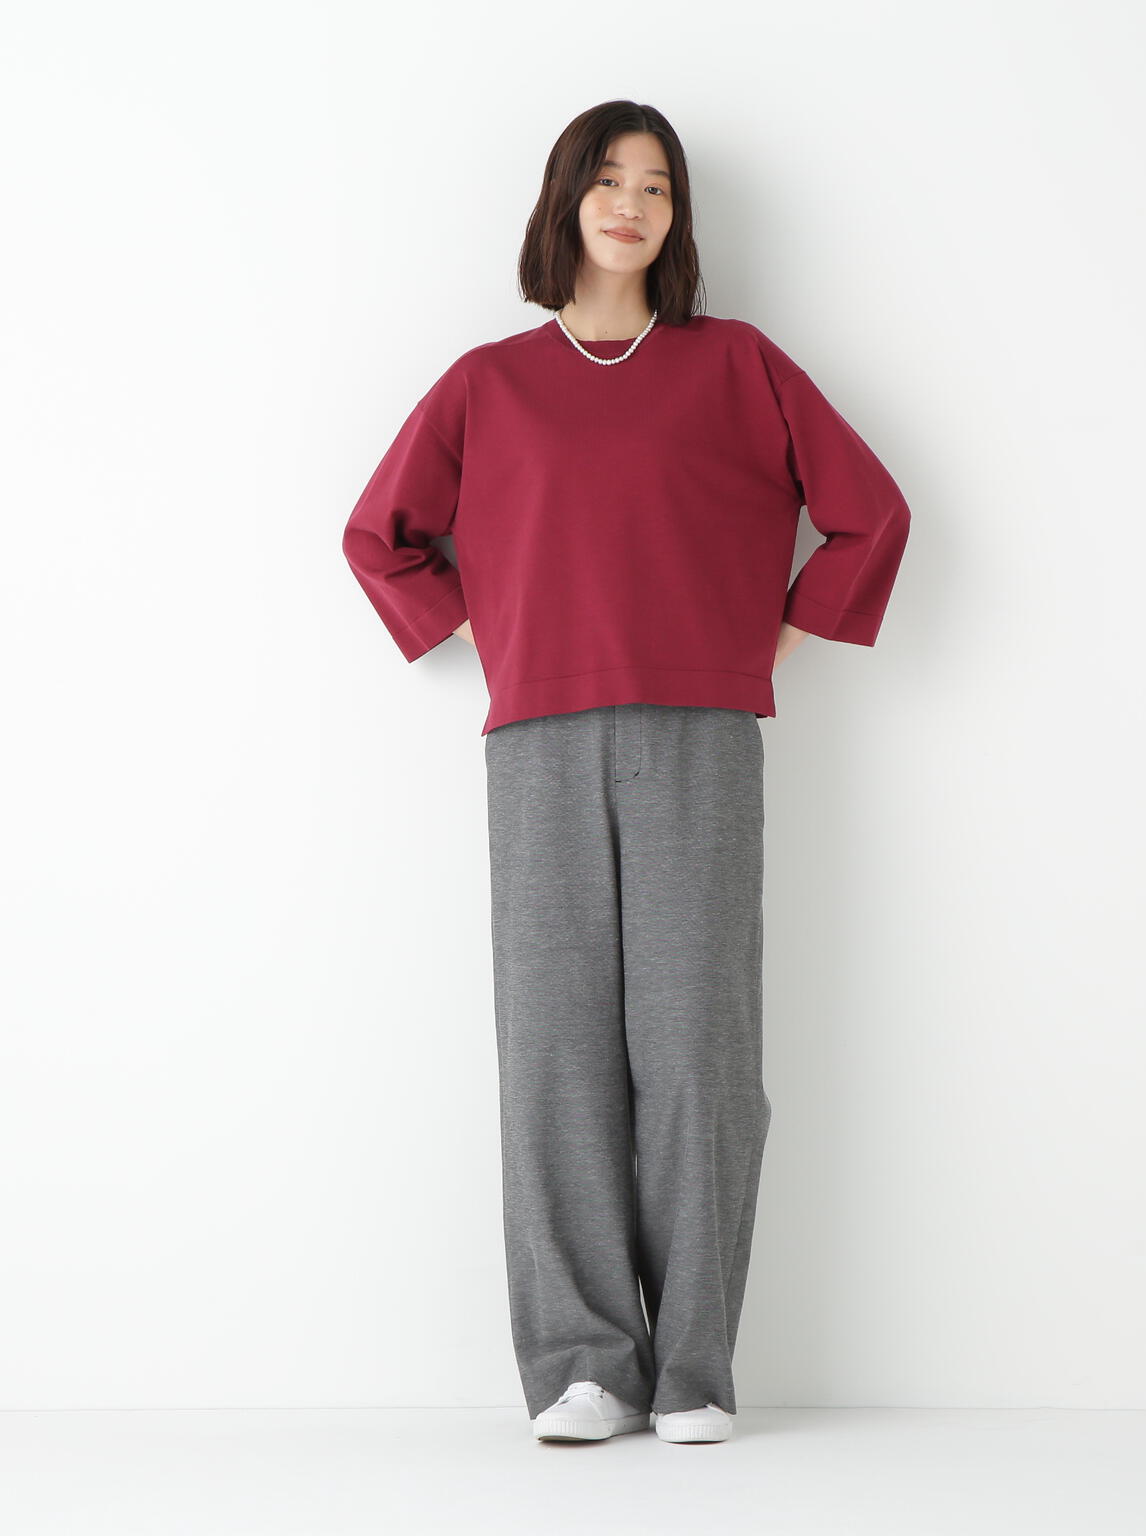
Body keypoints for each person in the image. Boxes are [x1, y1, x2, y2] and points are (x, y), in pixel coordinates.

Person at [341, 99, 911, 1446]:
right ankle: (583, 1364)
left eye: (657, 185)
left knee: (699, 1048)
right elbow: (379, 535)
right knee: (554, 1052)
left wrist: (771, 635)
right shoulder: (487, 383)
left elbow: (870, 515)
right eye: (608, 179)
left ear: (678, 216)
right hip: (538, 741)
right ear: (566, 200)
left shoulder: (739, 364)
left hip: (700, 736)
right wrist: (495, 632)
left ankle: (695, 1368)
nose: (631, 204)